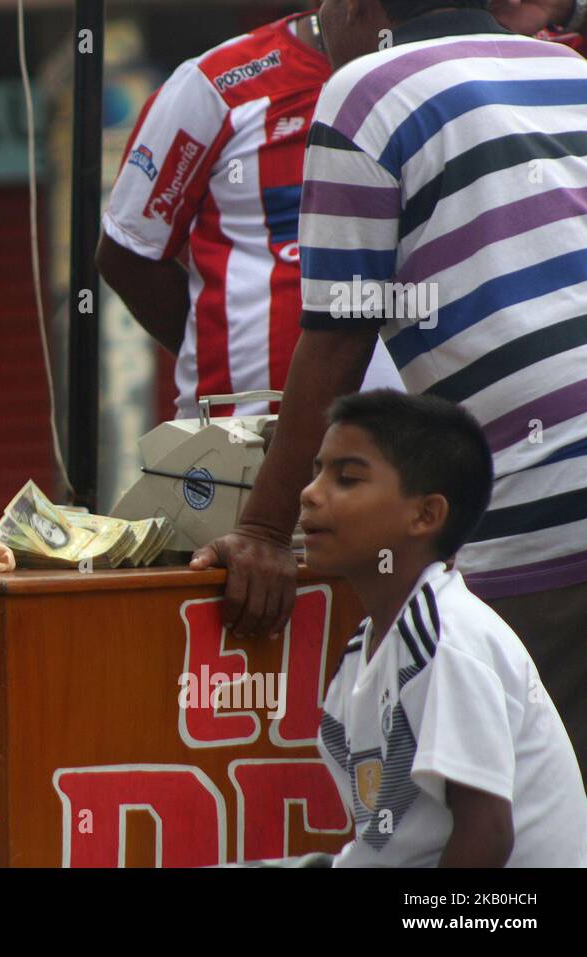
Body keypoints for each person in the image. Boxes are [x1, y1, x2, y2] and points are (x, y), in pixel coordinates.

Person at [189, 0, 587, 773]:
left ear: (362, 8)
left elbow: (338, 333)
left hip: (539, 522)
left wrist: (266, 531)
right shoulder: (567, 68)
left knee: (517, 816)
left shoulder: (366, 90)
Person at [301, 390, 586, 866]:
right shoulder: (366, 647)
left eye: (347, 478)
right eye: (317, 472)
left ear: (426, 515)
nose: (311, 493)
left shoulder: (447, 640)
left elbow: (487, 835)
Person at [98, 7, 403, 421]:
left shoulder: (449, 73)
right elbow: (128, 254)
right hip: (243, 428)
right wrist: (217, 350)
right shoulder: (216, 84)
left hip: (411, 437)